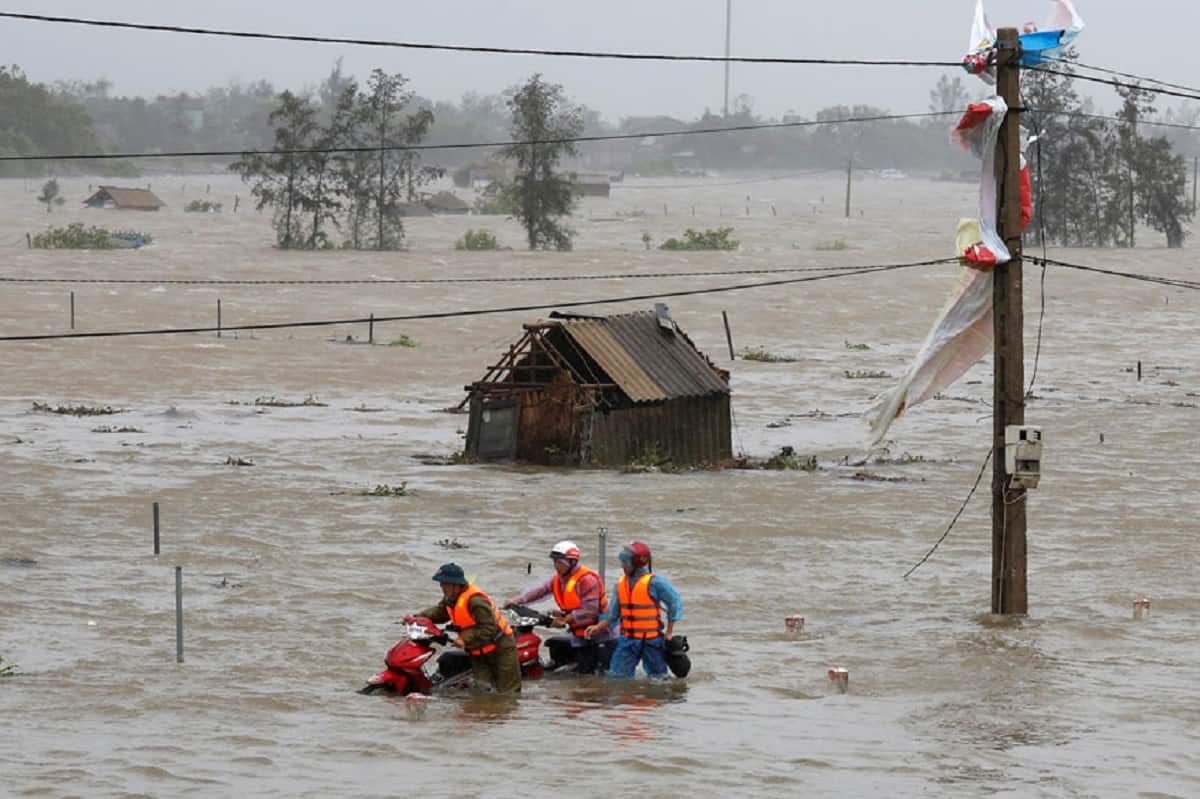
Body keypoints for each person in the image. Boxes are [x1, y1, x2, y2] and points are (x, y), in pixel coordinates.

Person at [504, 540, 615, 674]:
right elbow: (540, 590)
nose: (556, 565)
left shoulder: (587, 580)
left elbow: (590, 610)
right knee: (584, 676)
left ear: (572, 562)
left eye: (560, 562)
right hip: (580, 633)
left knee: (596, 675)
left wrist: (565, 619)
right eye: (555, 561)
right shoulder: (559, 579)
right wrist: (518, 601)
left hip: (601, 634)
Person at [409, 563, 521, 694]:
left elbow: (488, 628)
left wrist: (464, 638)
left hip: (501, 649)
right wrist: (417, 618)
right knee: (483, 692)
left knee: (508, 693)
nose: (442, 587)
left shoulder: (476, 601)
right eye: (441, 583)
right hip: (478, 651)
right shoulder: (451, 598)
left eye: (445, 583)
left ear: (456, 585)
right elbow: (440, 612)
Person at [585, 541, 682, 679]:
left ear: (635, 564)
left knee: (659, 679)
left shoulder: (656, 583)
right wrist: (599, 627)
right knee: (617, 678)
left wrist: (669, 631)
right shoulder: (620, 584)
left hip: (652, 641)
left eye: (625, 562)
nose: (622, 565)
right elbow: (613, 615)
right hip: (628, 641)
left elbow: (674, 604)